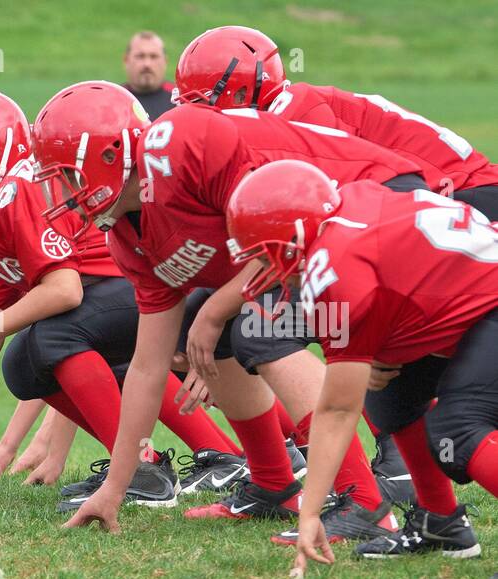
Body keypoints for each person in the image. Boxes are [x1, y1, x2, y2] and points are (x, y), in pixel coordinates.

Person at [34, 81, 437, 543]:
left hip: (375, 204)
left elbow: (285, 223)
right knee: (205, 325)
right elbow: (147, 368)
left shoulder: (182, 144)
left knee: (257, 328)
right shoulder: (129, 238)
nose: (61, 192)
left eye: (65, 174)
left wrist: (214, 315)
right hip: (309, 243)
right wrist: (115, 487)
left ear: (108, 155)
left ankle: (365, 502)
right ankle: (273, 483)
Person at [175, 23, 498, 506]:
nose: (194, 125)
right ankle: (276, 476)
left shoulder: (291, 121)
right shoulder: (268, 118)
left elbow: (327, 227)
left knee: (273, 324)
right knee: (235, 315)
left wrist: (220, 307)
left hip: (455, 209)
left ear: (237, 93)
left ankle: (378, 477)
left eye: (202, 106)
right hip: (422, 213)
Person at [0, 89, 243, 508]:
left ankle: (147, 465)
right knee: (24, 365)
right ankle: (200, 457)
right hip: (130, 300)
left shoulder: (15, 193)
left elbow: (63, 291)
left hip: (156, 292)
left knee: (45, 341)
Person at [226, 161, 494, 576]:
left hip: (486, 304)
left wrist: (310, 511)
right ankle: (441, 524)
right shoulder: (350, 201)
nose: (266, 270)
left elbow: (336, 410)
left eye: (265, 254)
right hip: (471, 296)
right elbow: (407, 275)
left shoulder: (335, 270)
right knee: (390, 390)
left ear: (294, 239)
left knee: (458, 428)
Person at [122, 30, 175, 120]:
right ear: (126, 60)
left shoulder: (179, 101)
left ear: (165, 61)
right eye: (140, 56)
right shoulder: (115, 100)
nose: (147, 64)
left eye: (154, 56)